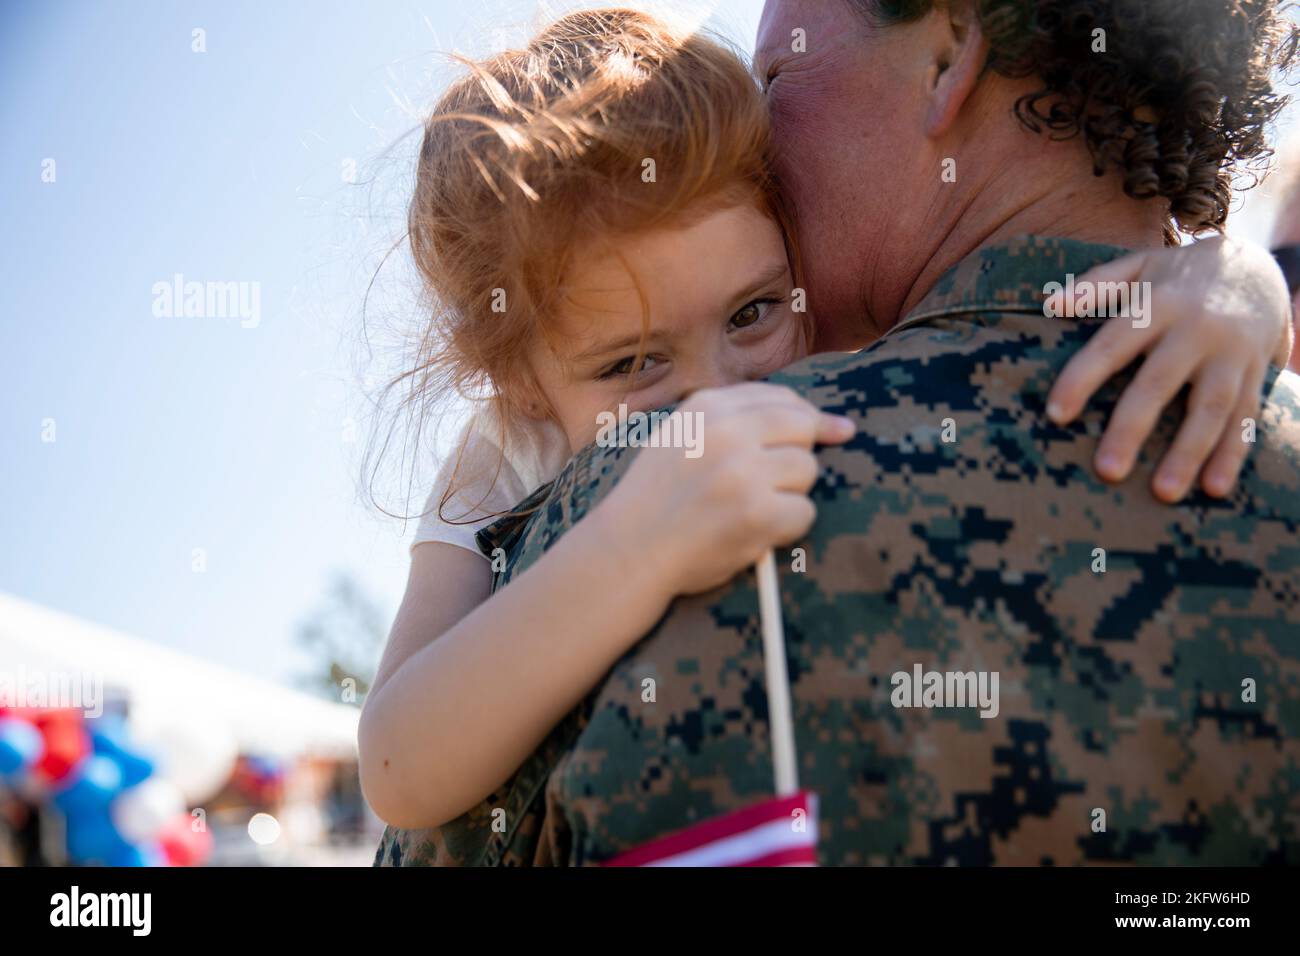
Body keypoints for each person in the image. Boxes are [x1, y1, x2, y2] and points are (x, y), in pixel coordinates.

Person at [373, 0, 1300, 866]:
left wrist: (1242, 276)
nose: (713, 399)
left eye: (775, 82)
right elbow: (397, 763)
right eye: (631, 364)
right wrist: (628, 546)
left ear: (948, 60)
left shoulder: (809, 353)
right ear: (523, 385)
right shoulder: (515, 459)